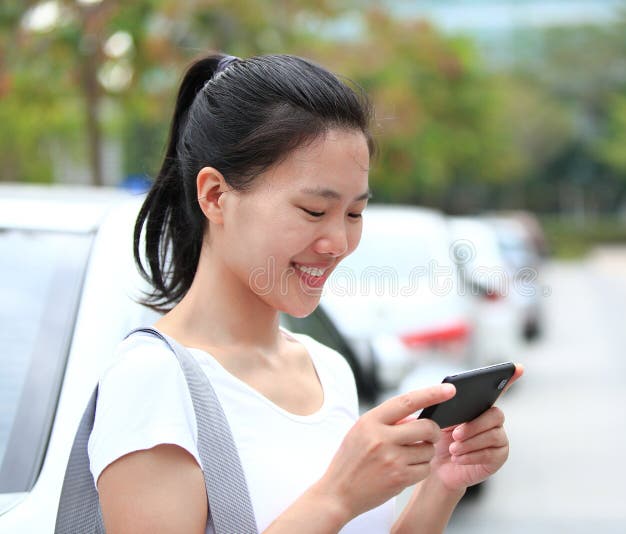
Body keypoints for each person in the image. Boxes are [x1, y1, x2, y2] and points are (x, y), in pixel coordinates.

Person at [88, 53, 523, 533]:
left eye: (354, 214)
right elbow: (334, 507)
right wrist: (337, 498)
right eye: (315, 211)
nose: (338, 243)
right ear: (215, 195)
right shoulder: (153, 381)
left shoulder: (326, 369)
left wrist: (442, 484)